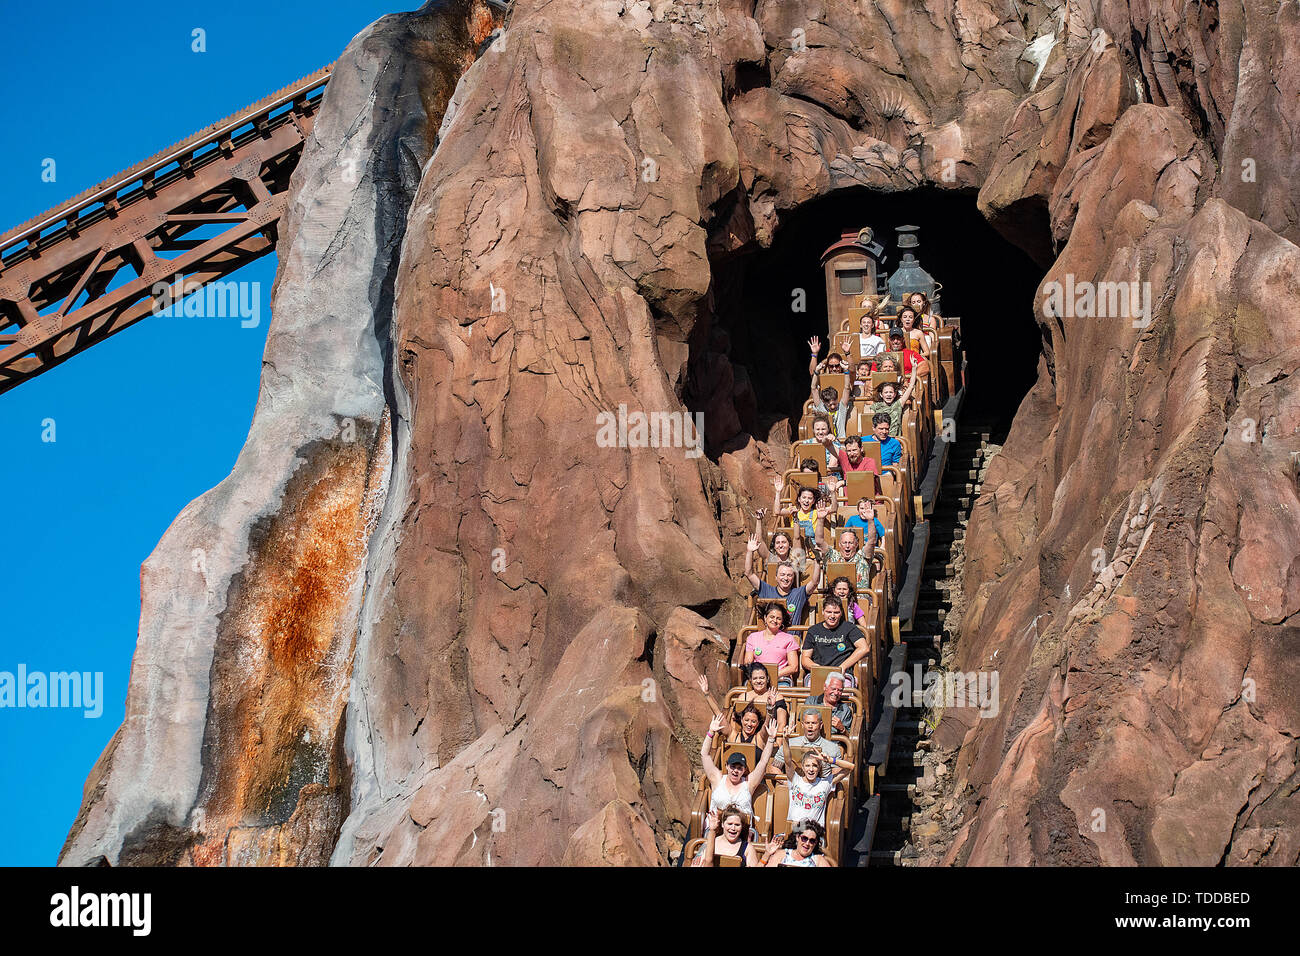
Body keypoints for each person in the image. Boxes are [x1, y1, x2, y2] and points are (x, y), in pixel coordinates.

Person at [700, 713, 779, 817]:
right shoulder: (718, 779)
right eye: (733, 766)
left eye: (739, 768)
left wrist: (771, 739)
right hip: (717, 826)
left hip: (741, 828)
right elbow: (704, 755)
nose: (735, 771)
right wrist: (710, 733)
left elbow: (763, 761)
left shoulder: (749, 783)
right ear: (727, 766)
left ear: (744, 770)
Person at [743, 535, 819, 626]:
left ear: (793, 578)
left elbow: (814, 582)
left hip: (790, 638)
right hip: (771, 638)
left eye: (789, 575)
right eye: (782, 575)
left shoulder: (799, 593)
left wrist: (817, 561)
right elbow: (749, 573)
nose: (785, 578)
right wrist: (749, 552)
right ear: (776, 577)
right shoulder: (766, 590)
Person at [799, 598, 869, 688]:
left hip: (842, 674)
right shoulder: (813, 630)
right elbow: (805, 658)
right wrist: (819, 669)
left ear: (841, 613)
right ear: (823, 612)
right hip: (819, 673)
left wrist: (842, 667)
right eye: (829, 612)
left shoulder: (849, 628)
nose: (832, 616)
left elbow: (864, 648)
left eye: (836, 612)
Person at [772, 707, 852, 772]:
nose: (810, 726)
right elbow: (774, 767)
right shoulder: (790, 744)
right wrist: (786, 783)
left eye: (814, 723)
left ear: (820, 725)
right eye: (807, 723)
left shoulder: (832, 748)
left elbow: (836, 771)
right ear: (803, 725)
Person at [743, 604, 800, 686]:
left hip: (780, 680)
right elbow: (748, 662)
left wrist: (772, 675)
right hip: (758, 679)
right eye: (772, 617)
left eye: (778, 618)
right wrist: (761, 676)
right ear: (765, 618)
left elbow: (793, 667)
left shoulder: (789, 639)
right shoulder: (753, 637)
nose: (775, 620)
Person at [695, 806, 760, 867]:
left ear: (742, 826)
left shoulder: (748, 848)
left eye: (737, 825)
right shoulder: (709, 844)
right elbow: (706, 863)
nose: (733, 828)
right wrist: (712, 831)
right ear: (722, 824)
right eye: (730, 824)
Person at [872, 363, 919, 437]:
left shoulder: (898, 404)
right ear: (881, 394)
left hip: (894, 439)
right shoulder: (875, 407)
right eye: (886, 392)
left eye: (891, 392)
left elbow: (910, 387)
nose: (888, 394)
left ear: (895, 394)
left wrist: (914, 368)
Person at [762, 819, 832, 867]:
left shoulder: (818, 860)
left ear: (815, 843)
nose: (807, 843)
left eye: (812, 841)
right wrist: (767, 854)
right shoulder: (782, 855)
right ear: (797, 837)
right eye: (804, 838)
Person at [807, 671, 855, 736]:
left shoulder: (845, 710)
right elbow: (801, 724)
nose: (836, 693)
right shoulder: (811, 702)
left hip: (833, 744)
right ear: (825, 687)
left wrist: (842, 729)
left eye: (840, 690)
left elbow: (851, 738)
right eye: (833, 689)